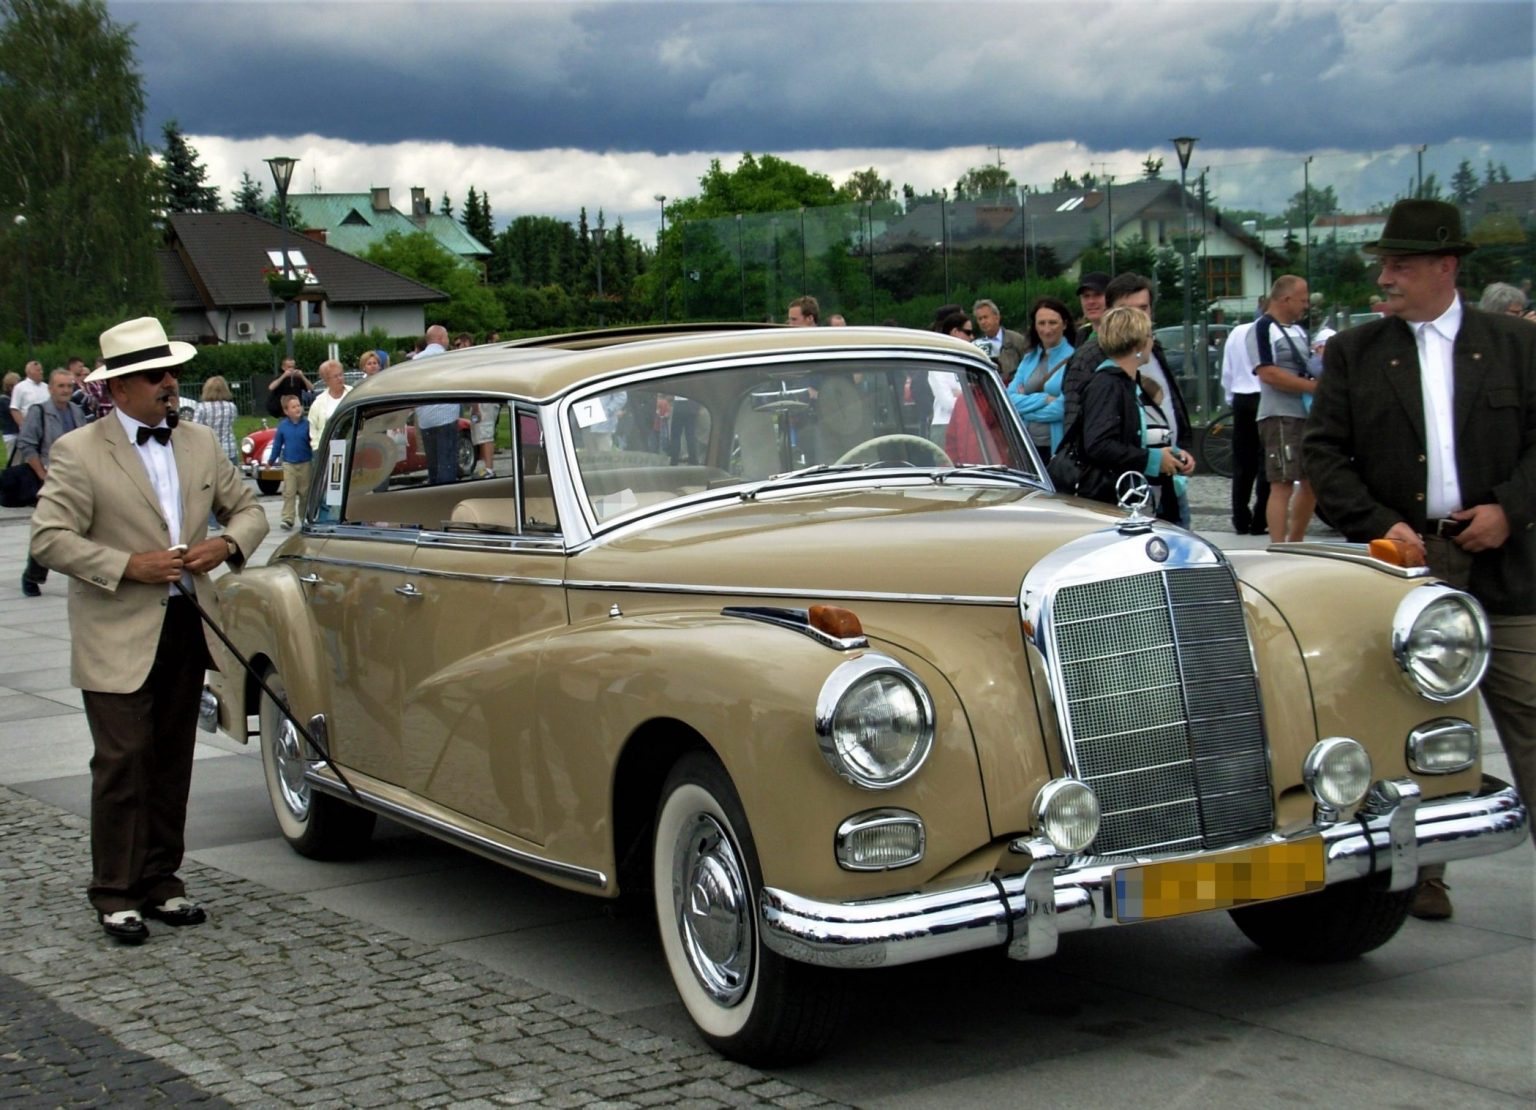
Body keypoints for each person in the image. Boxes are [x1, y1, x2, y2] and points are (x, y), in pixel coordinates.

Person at [1304, 198, 1536, 921]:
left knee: (1529, 710)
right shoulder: (1355, 352)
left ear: (1446, 265)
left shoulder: (1515, 345)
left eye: (1400, 264)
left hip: (1507, 559)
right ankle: (1424, 869)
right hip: (1404, 567)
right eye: (1383, 264)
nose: (1386, 276)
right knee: (1413, 720)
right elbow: (1323, 455)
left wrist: (1509, 510)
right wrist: (1382, 525)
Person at [29, 316, 268, 944]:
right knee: (122, 759)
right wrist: (126, 566)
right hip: (114, 632)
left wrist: (227, 546)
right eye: (155, 375)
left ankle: (161, 880)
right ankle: (114, 890)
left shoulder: (196, 443)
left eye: (173, 373)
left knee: (171, 760)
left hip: (188, 624)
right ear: (120, 387)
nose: (170, 385)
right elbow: (48, 539)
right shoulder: (79, 451)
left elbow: (248, 510)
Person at [1063, 273, 1194, 523]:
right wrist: (1153, 459)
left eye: (1143, 309)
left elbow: (1157, 414)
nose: (1139, 319)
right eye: (1128, 311)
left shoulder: (1147, 356)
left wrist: (1176, 450)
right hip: (1123, 494)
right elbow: (1091, 438)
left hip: (1161, 486)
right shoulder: (1098, 368)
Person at [1252, 275, 1316, 542]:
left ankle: (1296, 541)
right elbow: (1267, 373)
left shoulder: (1299, 330)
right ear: (1286, 299)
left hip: (1305, 413)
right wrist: (1312, 387)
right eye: (1302, 300)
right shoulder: (1263, 328)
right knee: (1282, 482)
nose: (1305, 306)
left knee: (1312, 481)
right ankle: (1279, 545)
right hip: (1279, 413)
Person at [17, 370, 89, 596]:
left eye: (69, 386)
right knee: (49, 528)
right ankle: (32, 576)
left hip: (78, 477)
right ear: (51, 389)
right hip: (50, 477)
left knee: (87, 527)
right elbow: (27, 444)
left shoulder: (77, 411)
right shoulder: (39, 412)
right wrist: (42, 473)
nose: (66, 390)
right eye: (61, 386)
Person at [1220, 299, 1270, 534]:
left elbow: (1227, 369)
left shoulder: (1237, 332)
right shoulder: (1273, 331)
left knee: (1242, 462)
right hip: (1266, 396)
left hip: (1241, 397)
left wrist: (1231, 397)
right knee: (1266, 462)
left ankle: (1240, 516)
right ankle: (1261, 518)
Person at [1008, 296, 1076, 458]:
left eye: (1053, 323)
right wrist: (1045, 399)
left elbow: (1064, 409)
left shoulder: (1075, 359)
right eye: (1041, 323)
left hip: (1056, 450)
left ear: (1065, 324)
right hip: (1026, 446)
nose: (1047, 329)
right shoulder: (1028, 359)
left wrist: (1024, 409)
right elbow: (1008, 400)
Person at [413, 325, 460, 485]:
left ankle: (434, 493)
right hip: (446, 416)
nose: (448, 340)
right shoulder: (449, 358)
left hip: (425, 418)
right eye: (446, 337)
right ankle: (445, 499)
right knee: (447, 462)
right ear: (440, 338)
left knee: (433, 464)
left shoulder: (416, 360)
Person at [266, 394, 313, 530]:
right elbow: (277, 445)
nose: (297, 408)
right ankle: (288, 518)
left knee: (305, 493)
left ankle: (305, 517)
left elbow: (313, 442)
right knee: (289, 492)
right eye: (293, 407)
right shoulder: (283, 426)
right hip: (289, 464)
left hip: (305, 463)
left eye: (298, 405)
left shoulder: (307, 424)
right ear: (286, 411)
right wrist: (271, 461)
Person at [972, 299, 1029, 384]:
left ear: (997, 318)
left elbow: (1028, 365)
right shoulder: (976, 345)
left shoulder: (1016, 339)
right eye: (980, 319)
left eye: (985, 317)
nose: (983, 322)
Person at [305, 359, 350, 452]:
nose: (339, 378)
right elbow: (313, 429)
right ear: (326, 380)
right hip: (327, 449)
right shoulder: (319, 402)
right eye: (335, 376)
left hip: (352, 445)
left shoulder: (352, 393)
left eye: (341, 374)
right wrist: (317, 449)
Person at [1074, 272, 1110, 346]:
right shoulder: (1082, 335)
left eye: (1097, 295)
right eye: (1086, 296)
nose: (1091, 301)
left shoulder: (1122, 336)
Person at [10, 359, 48, 427]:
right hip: (30, 426)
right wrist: (23, 426)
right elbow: (14, 409)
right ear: (29, 372)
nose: (41, 372)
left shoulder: (46, 387)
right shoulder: (20, 387)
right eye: (38, 370)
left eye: (41, 370)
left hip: (47, 425)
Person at [0, 372, 19, 461]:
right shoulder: (4, 400)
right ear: (11, 386)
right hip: (11, 434)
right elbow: (14, 412)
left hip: (17, 433)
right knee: (13, 460)